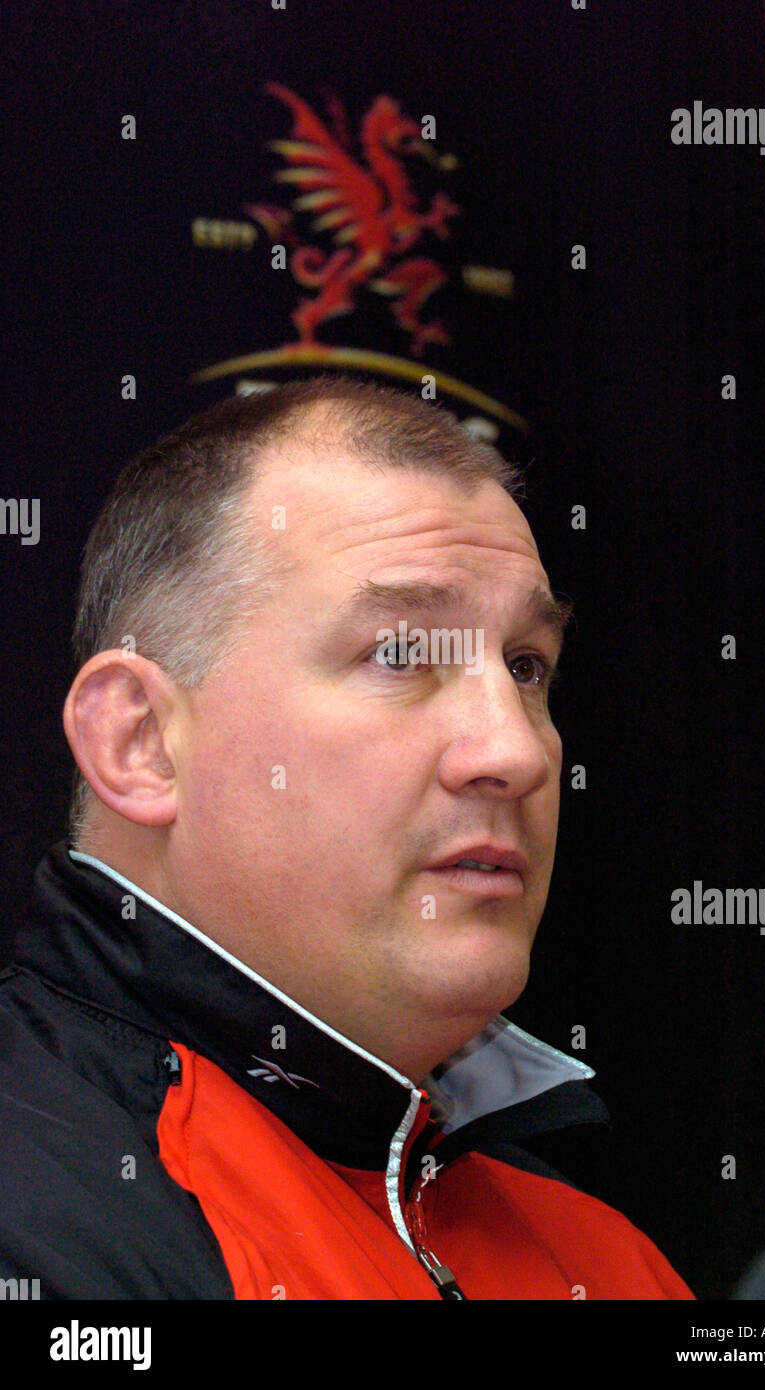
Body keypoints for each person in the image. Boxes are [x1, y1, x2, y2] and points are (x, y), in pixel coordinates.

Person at [0, 376, 694, 1300]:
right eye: (402, 652)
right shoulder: (32, 1214)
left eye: (526, 667)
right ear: (141, 744)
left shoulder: (601, 1255)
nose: (517, 751)